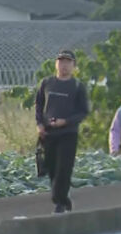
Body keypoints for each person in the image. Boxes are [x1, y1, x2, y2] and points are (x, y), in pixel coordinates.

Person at [34, 50, 89, 214]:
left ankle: (59, 202)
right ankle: (63, 199)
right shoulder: (47, 83)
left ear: (73, 65)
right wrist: (40, 125)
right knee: (51, 167)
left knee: (63, 168)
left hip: (68, 133)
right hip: (48, 133)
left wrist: (66, 121)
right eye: (61, 61)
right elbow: (38, 105)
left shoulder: (77, 86)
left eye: (68, 62)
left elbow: (83, 112)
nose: (64, 65)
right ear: (56, 64)